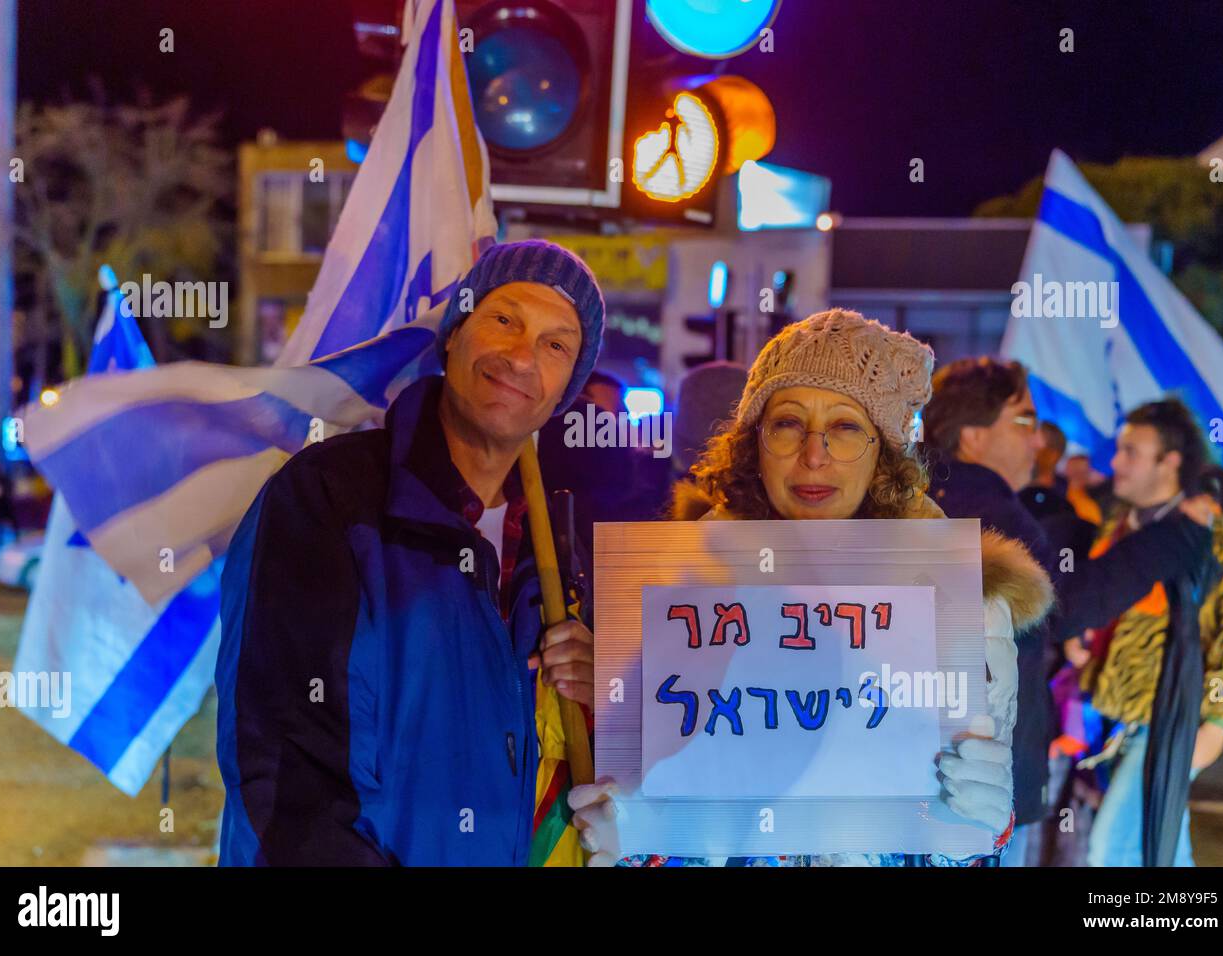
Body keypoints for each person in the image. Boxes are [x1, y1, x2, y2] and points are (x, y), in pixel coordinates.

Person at [583, 309, 1058, 866]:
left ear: (884, 452)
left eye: (845, 427)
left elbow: (963, 841)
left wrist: (976, 829)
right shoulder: (680, 591)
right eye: (788, 423)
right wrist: (637, 835)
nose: (815, 454)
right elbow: (663, 788)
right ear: (754, 443)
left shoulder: (959, 603)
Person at [215, 240, 612, 865]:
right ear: (454, 333)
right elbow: (279, 761)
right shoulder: (327, 499)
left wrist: (599, 696)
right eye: (503, 319)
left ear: (566, 388)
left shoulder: (561, 555)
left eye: (556, 344)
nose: (520, 357)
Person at [924, 359, 1217, 866]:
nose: (1039, 441)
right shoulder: (985, 509)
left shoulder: (946, 498)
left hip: (965, 775)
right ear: (971, 438)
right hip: (977, 782)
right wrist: (1178, 538)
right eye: (1024, 421)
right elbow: (1065, 604)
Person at [1075, 399, 1223, 867]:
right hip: (1119, 721)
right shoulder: (1120, 526)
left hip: (1170, 723)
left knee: (1113, 851)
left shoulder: (1214, 537)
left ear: (1170, 460)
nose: (1115, 462)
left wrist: (1220, 722)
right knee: (1162, 853)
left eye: (1131, 451)